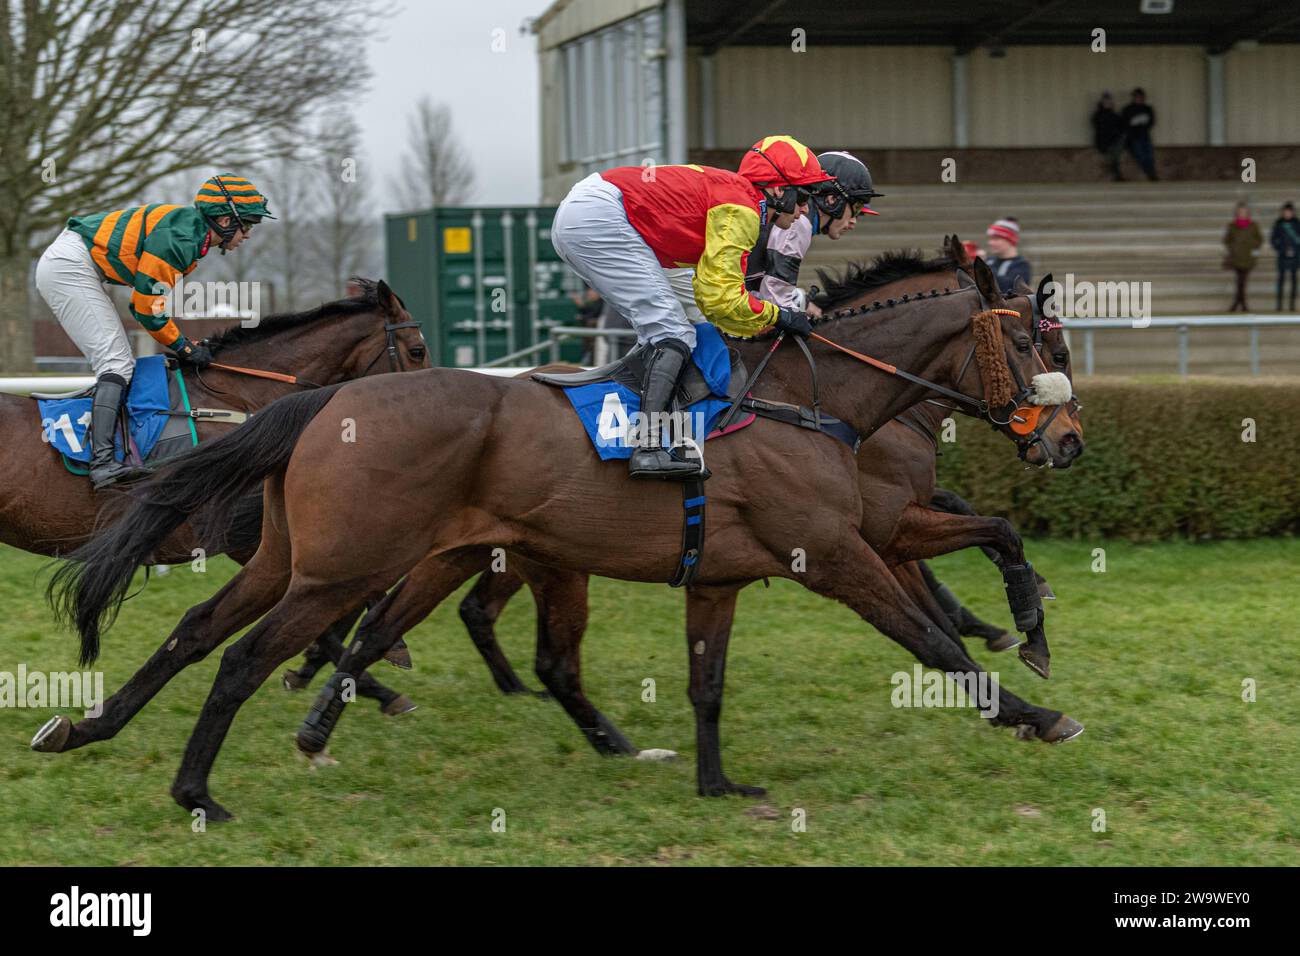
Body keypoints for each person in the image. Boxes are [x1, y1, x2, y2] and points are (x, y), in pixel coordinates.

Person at [550, 135, 832, 480]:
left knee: (691, 321)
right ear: (777, 191)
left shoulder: (742, 200)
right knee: (672, 331)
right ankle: (648, 446)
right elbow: (723, 298)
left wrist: (768, 323)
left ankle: (661, 415)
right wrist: (780, 315)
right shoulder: (742, 207)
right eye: (802, 197)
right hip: (598, 215)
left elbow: (711, 302)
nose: (804, 210)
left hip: (598, 211)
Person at [34, 174, 273, 488]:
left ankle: (113, 449)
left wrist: (182, 342)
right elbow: (147, 309)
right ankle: (102, 463)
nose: (249, 235)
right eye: (248, 224)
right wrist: (184, 347)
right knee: (116, 363)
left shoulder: (190, 234)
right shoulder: (180, 239)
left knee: (119, 362)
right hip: (69, 267)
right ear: (226, 219)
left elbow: (147, 304)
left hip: (75, 263)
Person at [757, 150, 884, 316]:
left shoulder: (800, 221)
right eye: (857, 208)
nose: (854, 221)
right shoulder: (800, 224)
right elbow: (775, 301)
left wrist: (799, 300)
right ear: (832, 200)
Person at [1224, 202, 1263, 313]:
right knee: (1240, 282)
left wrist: (1253, 247)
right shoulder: (1232, 226)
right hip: (1236, 258)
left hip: (1248, 258)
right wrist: (1233, 247)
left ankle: (1238, 303)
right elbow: (1226, 240)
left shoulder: (1253, 225)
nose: (1242, 213)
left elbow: (1259, 239)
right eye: (1240, 211)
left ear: (1247, 213)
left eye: (1244, 211)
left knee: (1242, 282)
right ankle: (1241, 304)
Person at [983, 218, 1031, 295]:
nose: (990, 243)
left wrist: (985, 268)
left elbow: (1009, 289)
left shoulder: (1022, 265)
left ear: (1010, 240)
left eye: (996, 239)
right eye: (990, 239)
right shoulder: (989, 261)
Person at [1121, 88, 1158, 181]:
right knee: (1140, 155)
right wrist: (1134, 125)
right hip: (1134, 136)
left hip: (1145, 134)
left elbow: (1152, 121)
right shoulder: (1128, 109)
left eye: (1140, 97)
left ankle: (1152, 172)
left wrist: (1143, 125)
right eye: (1136, 97)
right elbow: (1124, 123)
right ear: (1133, 97)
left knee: (1149, 155)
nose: (1138, 98)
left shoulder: (1147, 109)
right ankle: (1149, 172)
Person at [1269, 201, 1299, 312]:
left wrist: (1295, 251)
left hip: (1295, 257)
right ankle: (1279, 305)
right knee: (1280, 281)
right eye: (1285, 212)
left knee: (1294, 281)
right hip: (1282, 256)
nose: (1287, 214)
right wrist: (1282, 250)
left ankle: (1292, 305)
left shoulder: (1297, 224)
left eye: (1289, 212)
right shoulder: (1278, 224)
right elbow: (1273, 240)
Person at [1091, 92, 1127, 181]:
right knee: (1113, 154)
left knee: (1115, 151)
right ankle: (1116, 173)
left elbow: (1122, 126)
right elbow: (1101, 129)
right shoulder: (1098, 115)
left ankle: (1116, 173)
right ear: (1102, 103)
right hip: (1104, 141)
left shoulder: (1115, 115)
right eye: (1105, 102)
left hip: (1114, 141)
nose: (1107, 103)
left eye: (1109, 101)